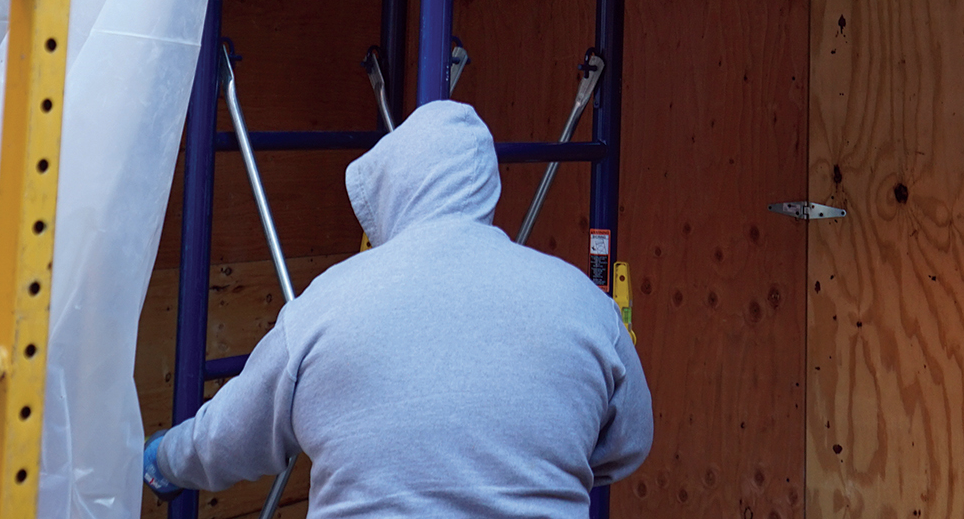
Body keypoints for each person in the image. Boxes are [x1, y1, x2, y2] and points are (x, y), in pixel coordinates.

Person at [142, 99, 653, 515]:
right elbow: (630, 441)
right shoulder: (584, 304)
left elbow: (231, 436)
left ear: (393, 190)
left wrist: (163, 460)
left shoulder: (326, 304)